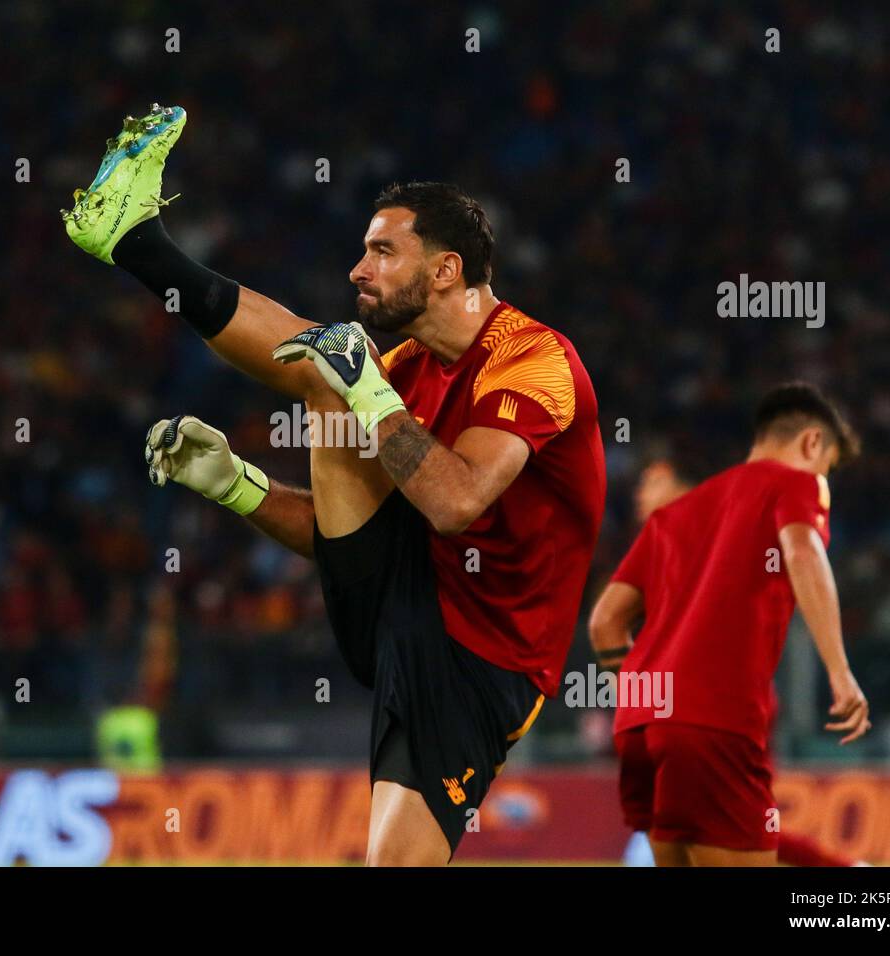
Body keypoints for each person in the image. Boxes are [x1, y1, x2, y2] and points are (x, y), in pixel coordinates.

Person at [63, 105, 606, 864]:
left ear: (446, 269)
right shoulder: (410, 371)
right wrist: (234, 484)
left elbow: (455, 504)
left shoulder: (534, 360)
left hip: (486, 655)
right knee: (328, 373)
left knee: (396, 863)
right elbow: (349, 531)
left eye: (383, 252)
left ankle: (137, 241)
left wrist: (372, 400)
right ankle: (136, 242)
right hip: (404, 607)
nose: (360, 270)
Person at [589, 383, 869, 866]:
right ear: (811, 443)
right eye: (828, 465)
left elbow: (605, 623)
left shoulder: (671, 516)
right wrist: (840, 671)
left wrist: (651, 701)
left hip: (643, 732)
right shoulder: (793, 482)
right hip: (716, 719)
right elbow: (803, 551)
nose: (825, 480)